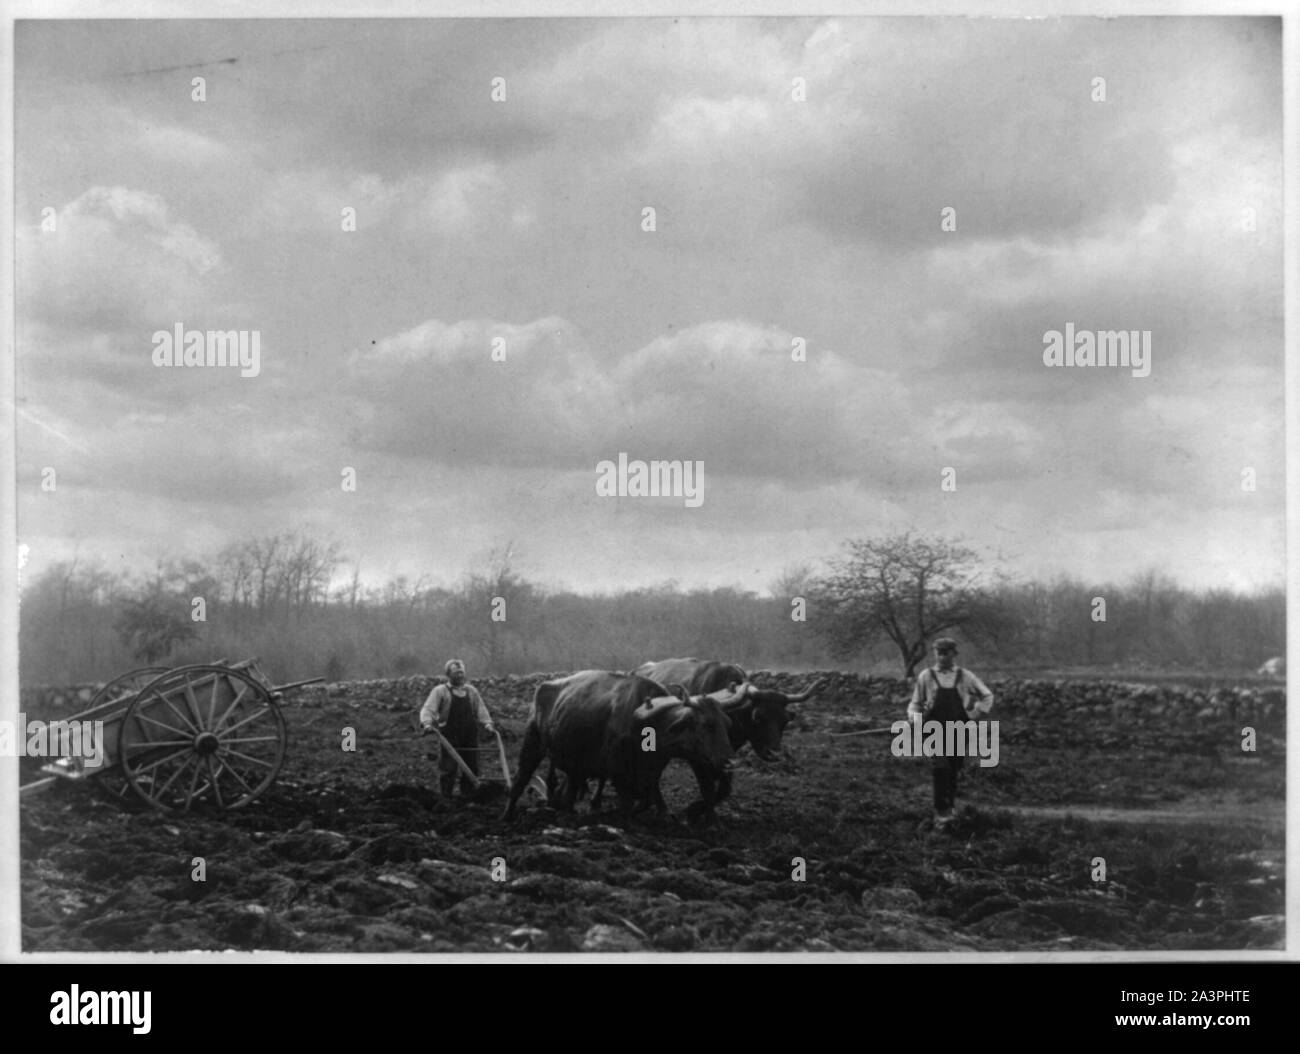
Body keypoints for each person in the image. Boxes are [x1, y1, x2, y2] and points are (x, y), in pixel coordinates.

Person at [907, 638, 994, 824]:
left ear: (954, 654)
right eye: (939, 652)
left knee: (954, 769)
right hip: (934, 731)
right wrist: (915, 720)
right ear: (934, 653)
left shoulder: (965, 676)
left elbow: (987, 696)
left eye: (946, 652)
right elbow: (915, 703)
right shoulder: (926, 676)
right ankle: (940, 811)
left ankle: (950, 806)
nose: (942, 656)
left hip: (958, 730)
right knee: (940, 768)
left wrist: (975, 714)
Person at [419, 659, 496, 798]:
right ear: (448, 675)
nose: (460, 676)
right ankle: (446, 797)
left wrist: (488, 724)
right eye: (456, 673)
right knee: (449, 768)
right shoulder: (440, 691)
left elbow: (481, 709)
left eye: (462, 672)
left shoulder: (471, 691)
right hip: (449, 735)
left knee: (472, 766)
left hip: (469, 734)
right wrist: (427, 724)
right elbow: (428, 709)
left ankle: (469, 797)